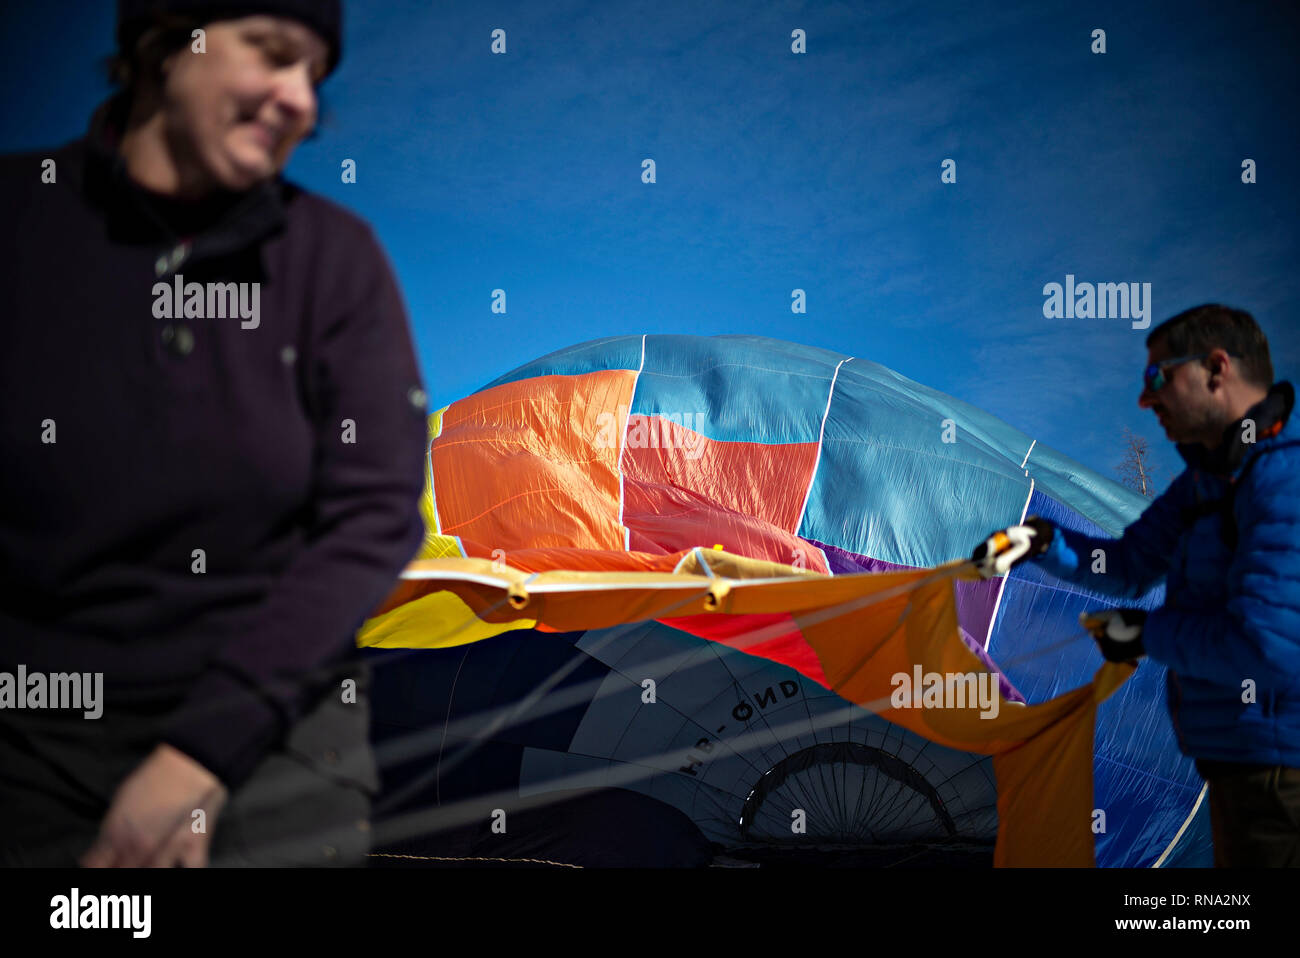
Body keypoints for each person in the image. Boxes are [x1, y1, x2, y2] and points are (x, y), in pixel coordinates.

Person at [0, 0, 429, 866]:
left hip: (279, 725)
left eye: (314, 74)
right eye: (272, 55)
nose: (300, 99)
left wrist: (202, 749)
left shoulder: (334, 260)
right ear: (166, 46)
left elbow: (378, 510)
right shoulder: (20, 222)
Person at [970, 304, 1299, 867]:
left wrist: (1146, 634)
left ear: (1216, 368)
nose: (1146, 400)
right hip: (1238, 762)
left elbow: (1267, 647)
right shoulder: (1209, 481)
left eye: (1158, 377)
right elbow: (1128, 566)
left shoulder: (1280, 477)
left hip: (1281, 770)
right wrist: (1041, 543)